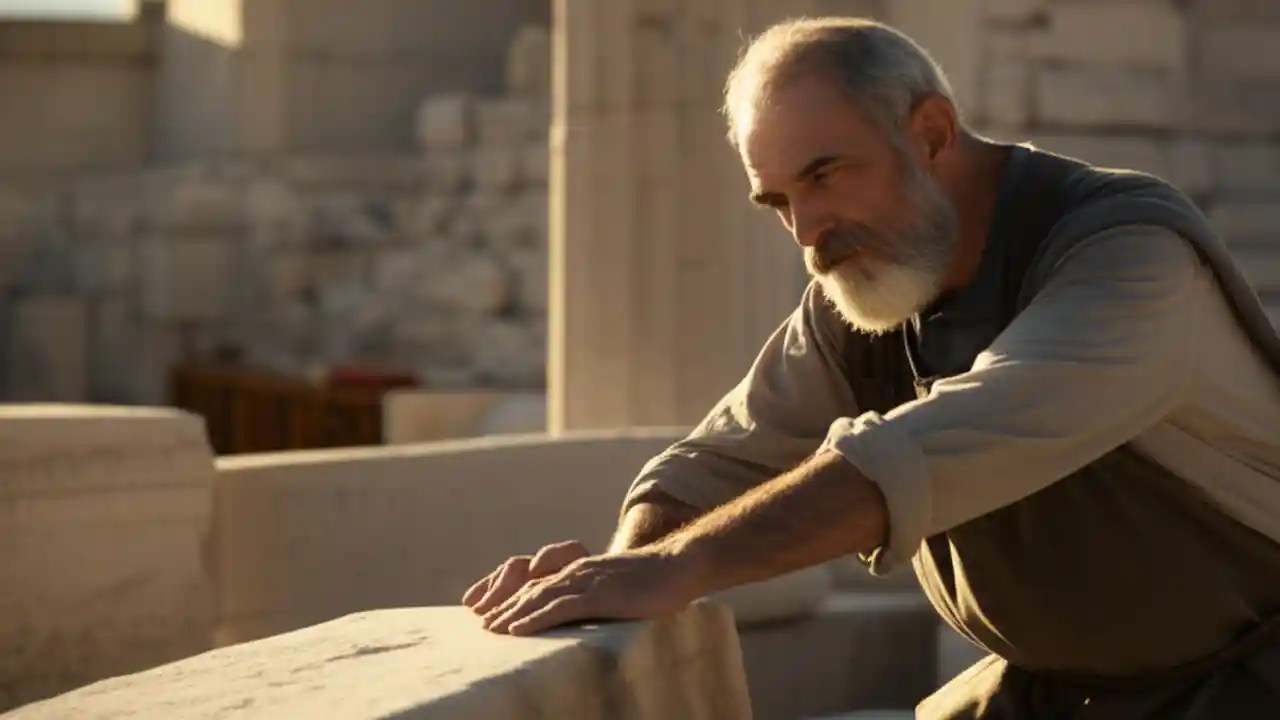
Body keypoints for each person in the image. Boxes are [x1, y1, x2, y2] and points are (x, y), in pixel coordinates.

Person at [462, 17, 1280, 718]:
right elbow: (715, 462)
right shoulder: (871, 287)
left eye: (824, 175)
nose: (807, 231)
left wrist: (677, 567)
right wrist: (627, 565)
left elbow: (934, 446)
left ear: (931, 133)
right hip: (1051, 691)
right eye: (779, 201)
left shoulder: (1127, 257)